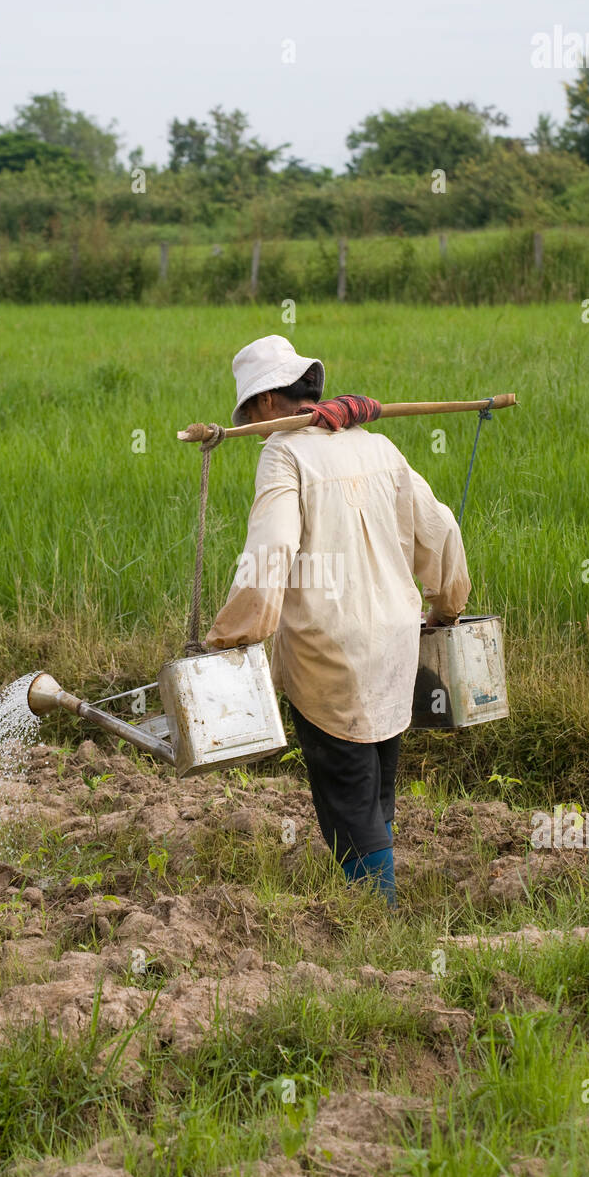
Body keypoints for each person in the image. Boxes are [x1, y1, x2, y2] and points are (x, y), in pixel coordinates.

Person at [205, 334, 471, 904]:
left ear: (267, 402)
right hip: (396, 643)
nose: (255, 425)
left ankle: (376, 917)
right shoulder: (377, 446)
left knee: (348, 797)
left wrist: (230, 638)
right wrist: (446, 607)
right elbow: (441, 528)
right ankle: (380, 892)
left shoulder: (284, 453)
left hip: (329, 654)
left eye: (251, 411)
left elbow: (271, 551)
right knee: (374, 784)